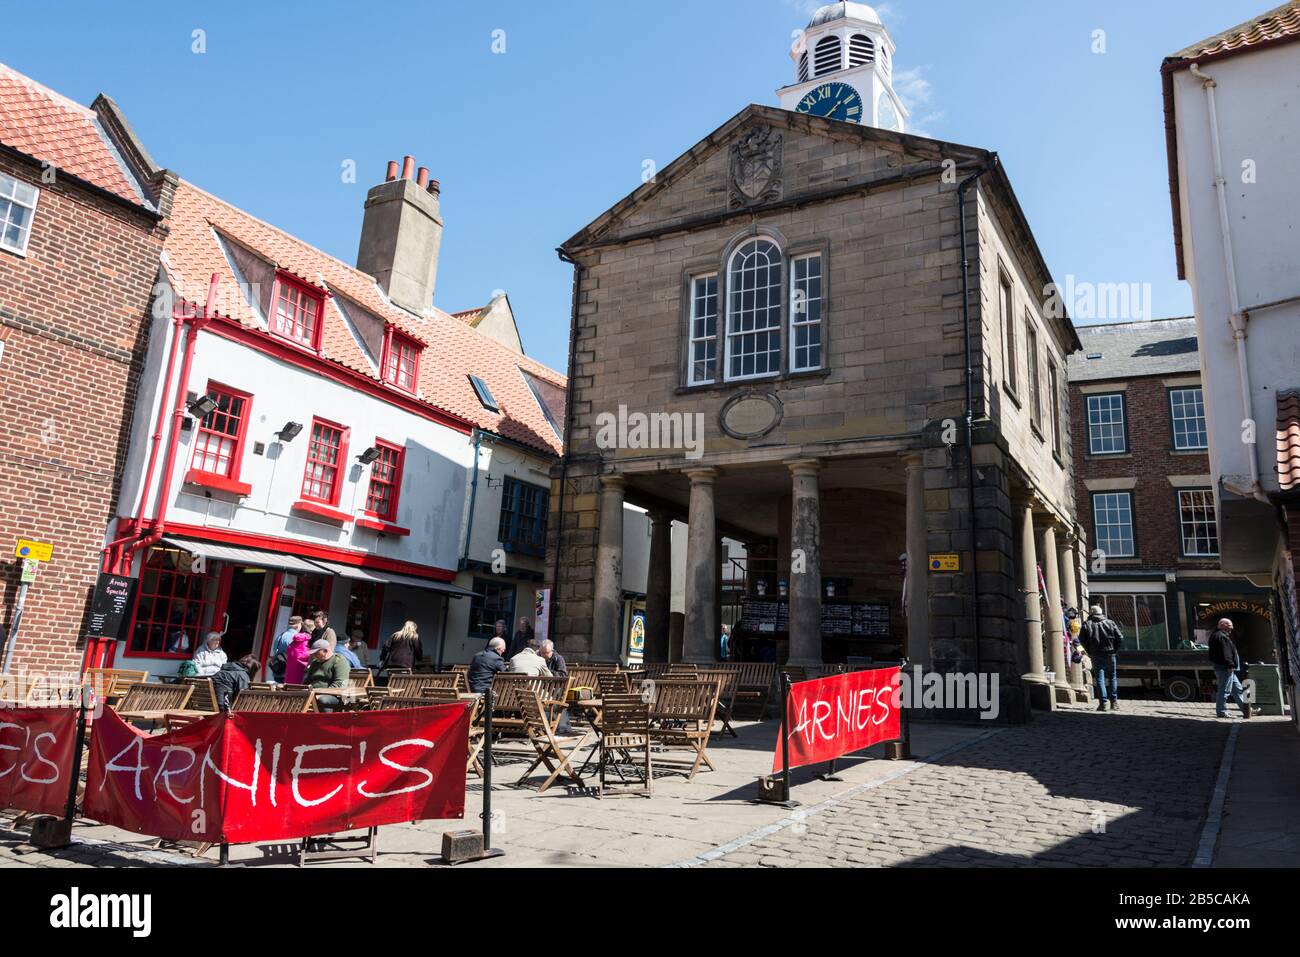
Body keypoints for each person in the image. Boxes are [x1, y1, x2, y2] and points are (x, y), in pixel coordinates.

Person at [1079, 605, 1124, 712]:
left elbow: (1081, 640)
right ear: (1101, 613)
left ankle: (1103, 703)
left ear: (1091, 613)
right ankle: (1114, 703)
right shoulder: (1110, 622)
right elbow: (1120, 637)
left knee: (1100, 678)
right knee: (1112, 677)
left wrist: (1088, 650)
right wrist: (1114, 649)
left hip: (1096, 654)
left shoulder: (1087, 624)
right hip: (1110, 653)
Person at [1208, 618, 1252, 720]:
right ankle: (1221, 711)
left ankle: (1246, 709)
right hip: (1225, 668)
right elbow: (1226, 652)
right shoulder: (1221, 636)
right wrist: (1230, 665)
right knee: (1224, 690)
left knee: (1238, 690)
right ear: (1222, 625)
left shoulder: (1220, 635)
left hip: (1227, 668)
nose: (1231, 628)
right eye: (1229, 625)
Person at [306, 639, 349, 712]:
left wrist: (321, 694)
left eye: (316, 653)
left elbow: (340, 683)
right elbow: (308, 681)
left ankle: (326, 721)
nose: (314, 655)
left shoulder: (338, 661)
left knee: (322, 699)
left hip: (333, 695)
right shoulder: (315, 663)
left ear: (325, 651)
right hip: (313, 693)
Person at [268, 615, 304, 683]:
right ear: (297, 625)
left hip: (278, 670)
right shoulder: (296, 637)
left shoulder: (280, 636)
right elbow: (297, 655)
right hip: (289, 673)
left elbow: (275, 650)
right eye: (301, 624)